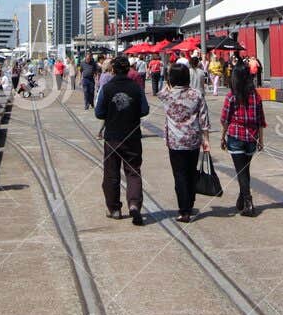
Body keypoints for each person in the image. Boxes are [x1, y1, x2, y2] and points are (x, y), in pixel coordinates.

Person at [95, 57, 150, 225]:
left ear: (113, 70)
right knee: (133, 172)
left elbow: (99, 113)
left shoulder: (106, 88)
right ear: (128, 69)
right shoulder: (136, 88)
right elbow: (144, 110)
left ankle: (114, 209)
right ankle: (134, 204)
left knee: (111, 173)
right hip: (132, 136)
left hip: (112, 137)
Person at [162, 63, 211, 222]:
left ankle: (184, 210)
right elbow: (204, 118)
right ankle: (189, 202)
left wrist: (169, 83)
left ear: (171, 78)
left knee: (179, 175)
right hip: (193, 139)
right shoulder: (196, 94)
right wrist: (206, 139)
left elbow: (162, 90)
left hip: (175, 141)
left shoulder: (166, 95)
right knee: (191, 172)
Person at [220, 63, 265, 216]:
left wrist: (222, 137)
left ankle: (248, 201)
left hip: (236, 136)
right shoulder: (255, 95)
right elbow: (260, 120)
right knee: (245, 170)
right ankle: (241, 200)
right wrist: (261, 140)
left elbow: (225, 119)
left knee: (241, 171)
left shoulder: (231, 96)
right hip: (252, 137)